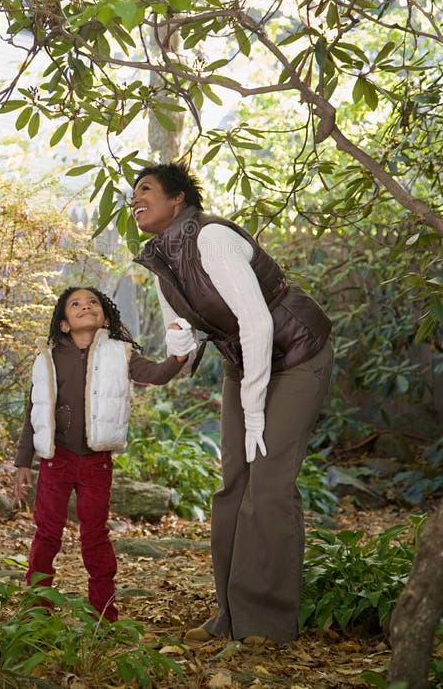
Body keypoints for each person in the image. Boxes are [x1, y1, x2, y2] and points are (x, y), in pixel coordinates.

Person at [131, 162, 333, 646]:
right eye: (132, 193)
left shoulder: (211, 239)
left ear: (178, 199)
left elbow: (258, 323)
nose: (135, 198)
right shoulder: (162, 264)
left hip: (297, 355)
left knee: (269, 484)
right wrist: (147, 362)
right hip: (244, 364)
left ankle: (266, 624)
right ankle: (230, 613)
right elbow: (180, 339)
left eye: (145, 189)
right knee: (233, 486)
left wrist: (255, 410)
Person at [13, 285, 196, 622]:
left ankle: (103, 611)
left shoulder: (120, 353)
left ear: (105, 318)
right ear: (64, 323)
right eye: (75, 304)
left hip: (96, 462)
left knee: (95, 534)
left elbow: (156, 374)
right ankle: (36, 605)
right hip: (56, 459)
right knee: (47, 532)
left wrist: (179, 356)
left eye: (93, 302)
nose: (85, 306)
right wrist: (24, 461)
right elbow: (33, 411)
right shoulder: (48, 358)